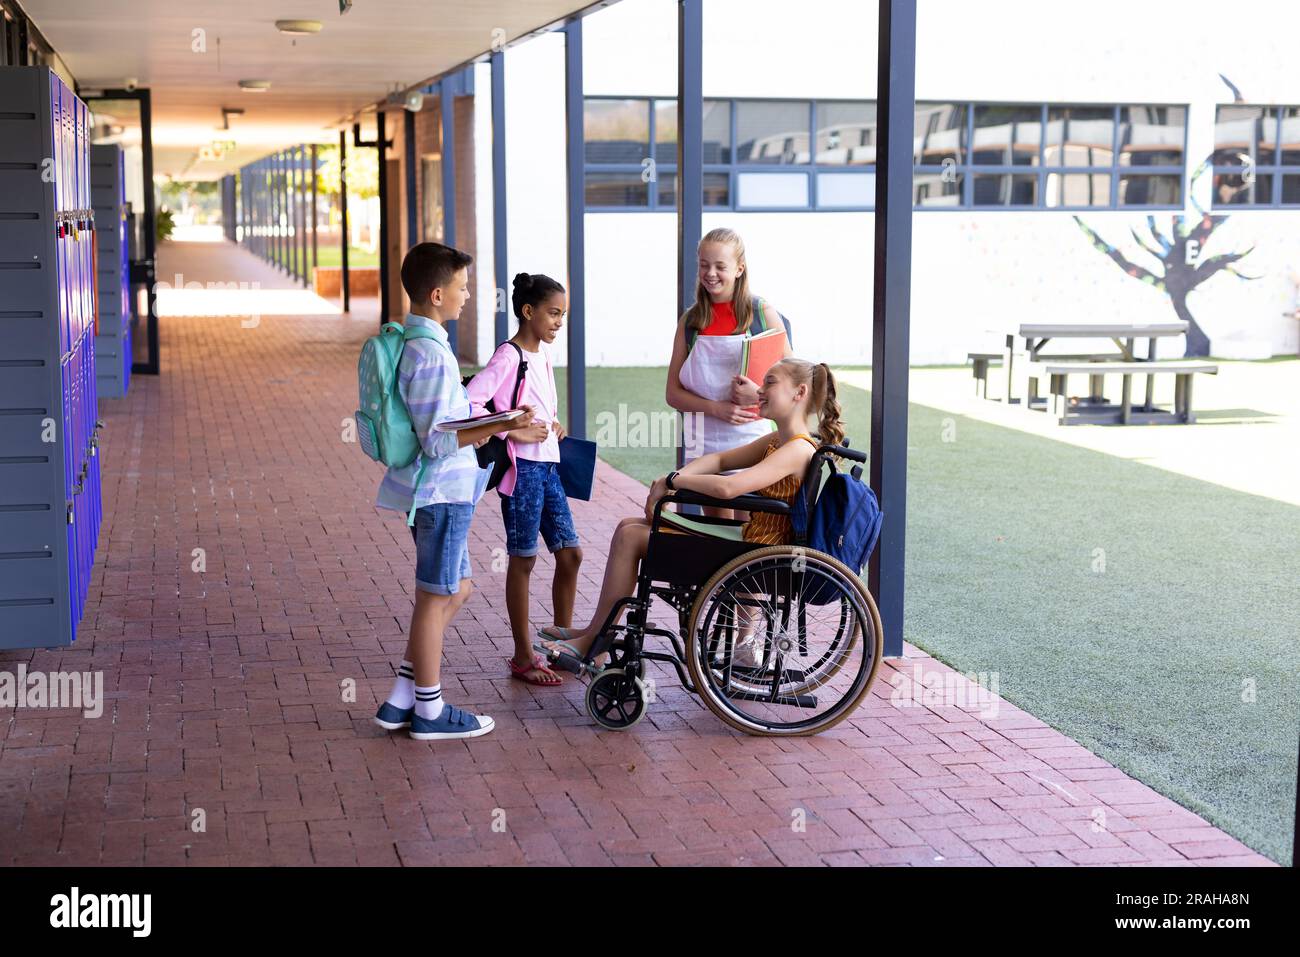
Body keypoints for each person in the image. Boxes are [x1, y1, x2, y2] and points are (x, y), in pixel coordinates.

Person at [537, 358, 843, 664]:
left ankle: (597, 640)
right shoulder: (780, 440)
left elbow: (728, 488)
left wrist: (674, 481)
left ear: (799, 392)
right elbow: (721, 461)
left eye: (770, 383)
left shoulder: (797, 449)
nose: (759, 390)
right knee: (628, 525)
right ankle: (597, 630)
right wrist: (672, 479)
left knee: (632, 537)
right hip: (749, 540)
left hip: (754, 551)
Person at [372, 243, 548, 740]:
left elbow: (447, 421)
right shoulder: (429, 355)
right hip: (440, 491)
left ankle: (403, 696)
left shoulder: (428, 346)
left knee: (458, 586)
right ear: (436, 294)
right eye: (462, 287)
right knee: (435, 596)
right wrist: (498, 428)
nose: (468, 295)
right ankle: (429, 710)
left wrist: (501, 420)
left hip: (444, 490)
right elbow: (437, 438)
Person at [466, 273, 583, 687]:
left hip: (548, 468)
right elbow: (472, 402)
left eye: (563, 315)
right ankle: (522, 655)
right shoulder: (508, 356)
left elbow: (530, 404)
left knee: (570, 555)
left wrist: (553, 423)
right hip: (523, 472)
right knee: (524, 559)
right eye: (553, 313)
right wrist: (510, 432)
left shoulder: (543, 358)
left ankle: (561, 647)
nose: (558, 322)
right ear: (528, 311)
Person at [665, 227, 793, 520]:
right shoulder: (691, 321)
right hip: (703, 440)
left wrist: (757, 393)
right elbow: (672, 393)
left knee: (749, 531)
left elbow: (794, 380)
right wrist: (717, 409)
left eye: (720, 266)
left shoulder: (762, 313)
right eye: (704, 265)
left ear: (739, 268)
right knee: (716, 533)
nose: (711, 273)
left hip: (752, 438)